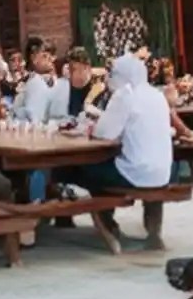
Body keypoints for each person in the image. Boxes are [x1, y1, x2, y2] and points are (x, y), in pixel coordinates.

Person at [77, 53, 175, 190]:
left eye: (113, 74)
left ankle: (103, 205)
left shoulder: (125, 94)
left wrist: (92, 127)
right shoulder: (157, 95)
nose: (109, 79)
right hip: (163, 174)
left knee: (84, 170)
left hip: (136, 174)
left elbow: (104, 133)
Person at [13, 36, 56, 124]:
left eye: (50, 55)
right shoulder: (34, 83)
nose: (50, 59)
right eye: (44, 56)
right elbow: (35, 117)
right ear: (34, 58)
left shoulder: (48, 80)